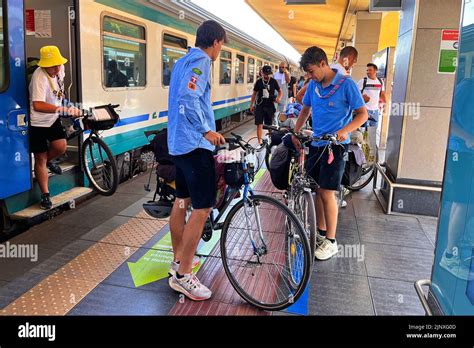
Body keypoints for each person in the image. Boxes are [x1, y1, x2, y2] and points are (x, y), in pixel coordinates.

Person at [167, 20, 226, 301]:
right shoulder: (202, 61)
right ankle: (184, 275)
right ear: (215, 42)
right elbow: (188, 97)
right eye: (221, 45)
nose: (220, 50)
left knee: (181, 202)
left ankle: (178, 261)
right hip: (194, 145)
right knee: (202, 208)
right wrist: (207, 131)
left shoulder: (183, 61)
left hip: (178, 145)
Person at [291, 46, 368, 260]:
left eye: (311, 71)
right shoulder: (314, 86)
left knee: (327, 192)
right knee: (317, 190)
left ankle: (332, 242)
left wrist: (345, 131)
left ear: (323, 64)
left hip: (335, 146)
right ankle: (321, 234)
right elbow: (305, 109)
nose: (309, 76)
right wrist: (295, 133)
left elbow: (362, 114)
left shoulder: (346, 84)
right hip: (316, 144)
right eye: (306, 73)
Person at [29, 46, 82, 210]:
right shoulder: (39, 77)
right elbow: (37, 104)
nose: (57, 68)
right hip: (38, 122)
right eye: (53, 65)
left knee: (61, 146)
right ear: (44, 65)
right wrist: (62, 109)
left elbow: (59, 90)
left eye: (58, 64)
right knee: (40, 158)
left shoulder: (60, 68)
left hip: (52, 118)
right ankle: (46, 195)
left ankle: (48, 162)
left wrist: (66, 105)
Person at [357, 63, 387, 158]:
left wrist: (385, 104)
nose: (368, 72)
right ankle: (366, 155)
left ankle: (370, 155)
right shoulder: (363, 81)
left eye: (370, 70)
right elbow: (356, 95)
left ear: (375, 71)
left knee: (372, 132)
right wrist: (362, 98)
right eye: (367, 70)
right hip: (364, 110)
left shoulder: (380, 81)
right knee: (364, 131)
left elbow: (381, 93)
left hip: (375, 111)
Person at [250, 65, 282, 144]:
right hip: (260, 105)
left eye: (268, 74)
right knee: (259, 124)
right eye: (265, 74)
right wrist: (251, 105)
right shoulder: (258, 82)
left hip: (270, 106)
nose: (267, 76)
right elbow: (254, 94)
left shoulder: (273, 81)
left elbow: (280, 91)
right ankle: (259, 141)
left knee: (269, 125)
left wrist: (278, 98)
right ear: (262, 73)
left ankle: (271, 139)